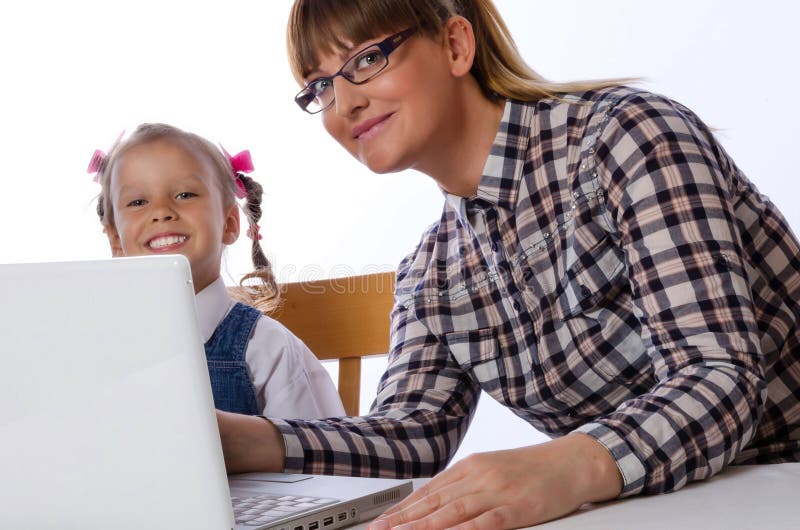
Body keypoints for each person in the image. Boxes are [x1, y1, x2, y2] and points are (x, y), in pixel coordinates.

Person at [216, 0, 800, 527]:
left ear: (455, 45)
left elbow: (720, 378)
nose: (345, 103)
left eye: (367, 59)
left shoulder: (624, 137)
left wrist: (565, 466)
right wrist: (240, 441)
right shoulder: (430, 274)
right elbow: (411, 436)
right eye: (319, 87)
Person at [89, 123, 345, 420]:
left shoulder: (267, 349)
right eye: (138, 202)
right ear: (116, 240)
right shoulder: (96, 349)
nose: (161, 211)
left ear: (230, 224)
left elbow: (319, 452)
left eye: (185, 195)